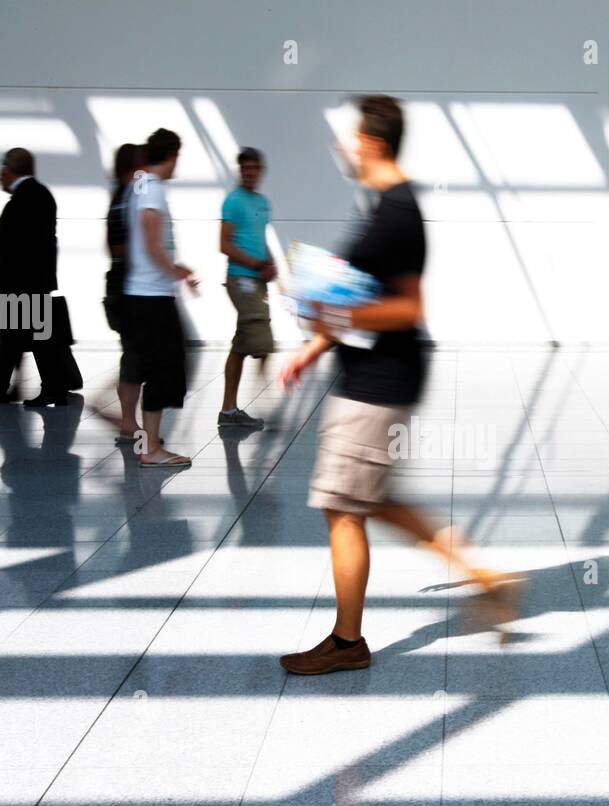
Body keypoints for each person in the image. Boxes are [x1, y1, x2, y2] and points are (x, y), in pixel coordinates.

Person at [278, 94, 521, 676]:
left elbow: (407, 307)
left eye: (348, 137)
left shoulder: (397, 211)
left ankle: (347, 642)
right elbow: (362, 295)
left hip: (378, 381)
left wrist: (322, 313)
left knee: (341, 506)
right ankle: (487, 580)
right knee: (375, 498)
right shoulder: (385, 206)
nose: (342, 147)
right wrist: (315, 345)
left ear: (370, 141)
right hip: (374, 373)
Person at [0, 148, 66, 405]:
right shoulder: (41, 194)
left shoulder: (23, 198)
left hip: (21, 281)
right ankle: (6, 382)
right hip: (35, 280)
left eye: (2, 172)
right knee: (17, 335)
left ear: (10, 170)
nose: (0, 178)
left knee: (23, 337)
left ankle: (46, 387)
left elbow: (3, 237)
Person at [121, 128, 198, 468]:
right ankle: (150, 448)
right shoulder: (152, 190)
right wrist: (175, 272)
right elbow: (152, 243)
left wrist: (173, 265)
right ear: (172, 155)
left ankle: (148, 445)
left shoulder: (138, 186)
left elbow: (146, 243)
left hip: (143, 292)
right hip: (152, 295)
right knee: (164, 367)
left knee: (155, 366)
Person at [218, 146, 276, 429]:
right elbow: (224, 244)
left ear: (260, 171)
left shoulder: (263, 203)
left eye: (254, 169)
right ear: (240, 171)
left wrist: (271, 262)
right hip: (240, 279)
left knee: (240, 346)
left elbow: (260, 238)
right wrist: (256, 264)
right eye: (245, 169)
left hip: (257, 278)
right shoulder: (232, 202)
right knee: (261, 335)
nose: (250, 173)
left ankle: (228, 411)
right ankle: (268, 397)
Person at [106, 143, 144, 442]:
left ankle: (129, 422)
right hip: (127, 289)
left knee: (133, 353)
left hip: (123, 287)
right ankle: (127, 422)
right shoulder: (123, 200)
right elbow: (120, 248)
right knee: (134, 354)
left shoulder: (123, 198)